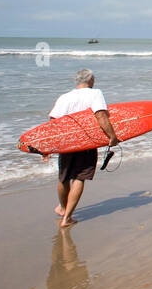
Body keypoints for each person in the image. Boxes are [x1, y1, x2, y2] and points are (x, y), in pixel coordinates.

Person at [49, 68, 118, 226]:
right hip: (86, 141)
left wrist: (49, 146)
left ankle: (62, 208)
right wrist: (112, 136)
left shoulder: (64, 97)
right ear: (91, 80)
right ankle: (67, 218)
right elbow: (100, 115)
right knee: (79, 178)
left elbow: (53, 122)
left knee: (64, 177)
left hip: (66, 142)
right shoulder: (95, 93)